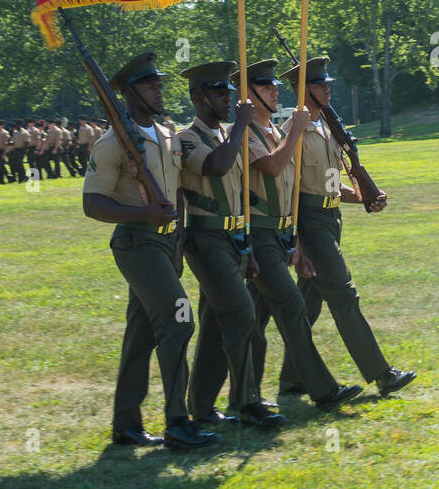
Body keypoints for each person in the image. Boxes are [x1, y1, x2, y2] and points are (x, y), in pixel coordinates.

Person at [81, 53, 218, 451]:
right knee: (179, 320)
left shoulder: (169, 134)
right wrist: (144, 212)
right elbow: (93, 204)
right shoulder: (112, 144)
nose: (159, 91)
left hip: (169, 243)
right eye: (149, 85)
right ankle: (178, 422)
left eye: (159, 84)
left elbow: (180, 185)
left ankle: (126, 424)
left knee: (142, 334)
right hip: (137, 242)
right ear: (127, 93)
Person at [277, 56, 416, 398]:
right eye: (320, 84)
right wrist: (297, 241)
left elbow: (329, 183)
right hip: (309, 222)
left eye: (327, 84)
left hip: (331, 217)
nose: (327, 89)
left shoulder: (325, 127)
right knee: (343, 294)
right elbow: (288, 189)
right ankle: (381, 373)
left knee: (311, 300)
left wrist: (365, 196)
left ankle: (292, 378)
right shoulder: (293, 132)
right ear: (301, 90)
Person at [241, 58, 363, 409]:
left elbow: (295, 190)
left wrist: (295, 242)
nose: (274, 90)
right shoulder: (269, 133)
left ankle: (253, 393)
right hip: (258, 235)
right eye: (265, 87)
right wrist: (295, 129)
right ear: (248, 96)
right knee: (282, 309)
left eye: (273, 85)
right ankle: (320, 389)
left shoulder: (278, 133)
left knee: (256, 315)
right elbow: (274, 168)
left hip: (282, 235)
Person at [177, 61, 285, 431]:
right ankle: (246, 400)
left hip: (237, 238)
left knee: (214, 324)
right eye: (218, 92)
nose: (228, 98)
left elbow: (240, 194)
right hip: (206, 238)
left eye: (228, 91)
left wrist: (249, 245)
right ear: (197, 97)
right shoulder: (186, 137)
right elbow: (217, 168)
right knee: (241, 313)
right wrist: (240, 123)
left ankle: (202, 404)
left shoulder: (230, 134)